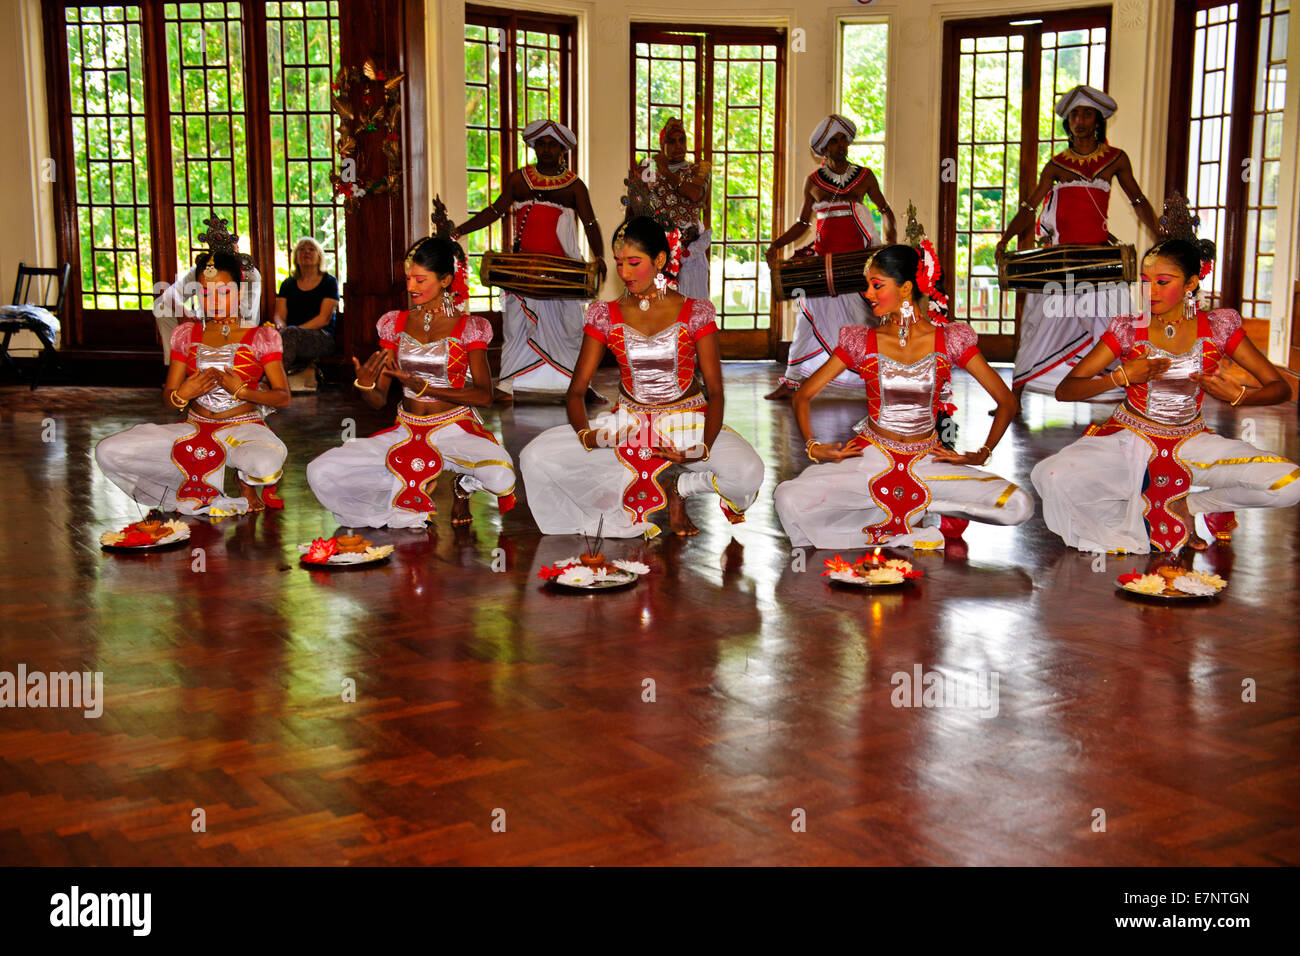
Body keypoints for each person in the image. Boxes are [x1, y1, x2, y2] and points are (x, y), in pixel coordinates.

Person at [1031, 236, 1299, 553]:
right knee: (1052, 475)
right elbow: (1066, 390)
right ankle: (1143, 503)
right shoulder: (1128, 329)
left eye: (1162, 281)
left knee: (1289, 484)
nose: (1151, 292)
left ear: (1191, 283)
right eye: (1145, 281)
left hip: (1192, 440)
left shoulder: (1218, 327)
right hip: (1131, 438)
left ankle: (1190, 505)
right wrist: (1120, 376)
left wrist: (1240, 395)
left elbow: (1280, 387)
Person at [774, 243, 1032, 550]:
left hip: (928, 462)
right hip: (870, 460)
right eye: (868, 285)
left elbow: (1006, 401)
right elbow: (803, 395)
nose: (867, 294)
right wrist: (813, 447)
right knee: (788, 497)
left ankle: (925, 507)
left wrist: (983, 453)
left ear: (906, 287)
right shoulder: (861, 341)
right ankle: (912, 516)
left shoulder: (949, 340)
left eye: (876, 285)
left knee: (1019, 505)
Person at [520, 216, 764, 538]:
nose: (624, 273)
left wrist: (701, 449)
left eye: (634, 263)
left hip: (686, 420)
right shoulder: (604, 314)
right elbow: (577, 391)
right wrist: (586, 436)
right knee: (534, 456)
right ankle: (629, 487)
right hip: (629, 424)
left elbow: (716, 392)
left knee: (748, 473)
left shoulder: (696, 311)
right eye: (619, 263)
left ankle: (683, 486)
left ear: (660, 260)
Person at [305, 236, 516, 529]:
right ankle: (409, 478)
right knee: (321, 469)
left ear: (445, 280)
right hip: (407, 429)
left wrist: (427, 389)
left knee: (502, 475)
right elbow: (378, 399)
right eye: (408, 279)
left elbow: (484, 396)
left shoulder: (469, 327)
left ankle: (463, 486)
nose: (410, 287)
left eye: (420, 280)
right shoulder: (395, 323)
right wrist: (364, 384)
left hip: (454, 427)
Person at [995, 85, 1159, 406]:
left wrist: (1160, 240)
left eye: (1086, 113)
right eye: (1074, 114)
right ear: (1067, 122)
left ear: (1098, 119)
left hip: (1100, 263)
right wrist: (1006, 238)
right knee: (1037, 328)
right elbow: (1031, 207)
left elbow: (1138, 200)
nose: (1080, 120)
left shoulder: (1115, 159)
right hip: (1059, 263)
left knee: (1116, 329)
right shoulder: (1057, 164)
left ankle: (1133, 394)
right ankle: (1014, 399)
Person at [98, 251, 289, 515]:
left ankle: (244, 481)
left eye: (223, 292)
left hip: (242, 430)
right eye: (206, 293)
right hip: (194, 428)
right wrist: (182, 395)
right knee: (109, 450)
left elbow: (283, 396)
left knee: (265, 464)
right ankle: (192, 485)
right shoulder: (186, 334)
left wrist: (243, 392)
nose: (214, 302)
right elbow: (169, 396)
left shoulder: (261, 336)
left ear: (240, 292)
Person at [453, 119, 606, 404]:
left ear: (563, 150)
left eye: (552, 145)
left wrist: (599, 257)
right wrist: (459, 230)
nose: (546, 149)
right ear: (534, 147)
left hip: (561, 276)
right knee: (517, 328)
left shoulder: (574, 186)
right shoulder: (518, 179)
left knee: (569, 329)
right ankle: (508, 385)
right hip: (521, 273)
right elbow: (494, 210)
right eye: (541, 144)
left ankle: (578, 385)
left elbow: (590, 223)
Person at [765, 114, 896, 400]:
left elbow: (884, 209)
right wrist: (777, 244)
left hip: (856, 265)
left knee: (864, 322)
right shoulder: (813, 182)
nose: (841, 145)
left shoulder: (865, 177)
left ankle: (874, 381)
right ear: (823, 149)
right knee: (806, 321)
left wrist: (890, 241)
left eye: (843, 140)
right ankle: (792, 381)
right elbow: (803, 224)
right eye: (834, 141)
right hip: (822, 264)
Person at [633, 117, 711, 301]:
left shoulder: (699, 169)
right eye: (671, 141)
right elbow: (638, 207)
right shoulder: (650, 171)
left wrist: (666, 172)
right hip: (660, 253)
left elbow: (694, 194)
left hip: (690, 252)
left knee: (693, 312)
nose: (678, 145)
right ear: (663, 145)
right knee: (661, 311)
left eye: (682, 140)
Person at [274, 236, 338, 379]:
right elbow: (279, 315)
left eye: (311, 249)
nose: (306, 252)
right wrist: (280, 327)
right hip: (289, 336)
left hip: (322, 337)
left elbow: (324, 319)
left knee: (289, 335)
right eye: (301, 249)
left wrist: (293, 331)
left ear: (319, 256)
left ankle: (274, 382)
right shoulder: (287, 284)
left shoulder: (329, 282)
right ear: (296, 257)